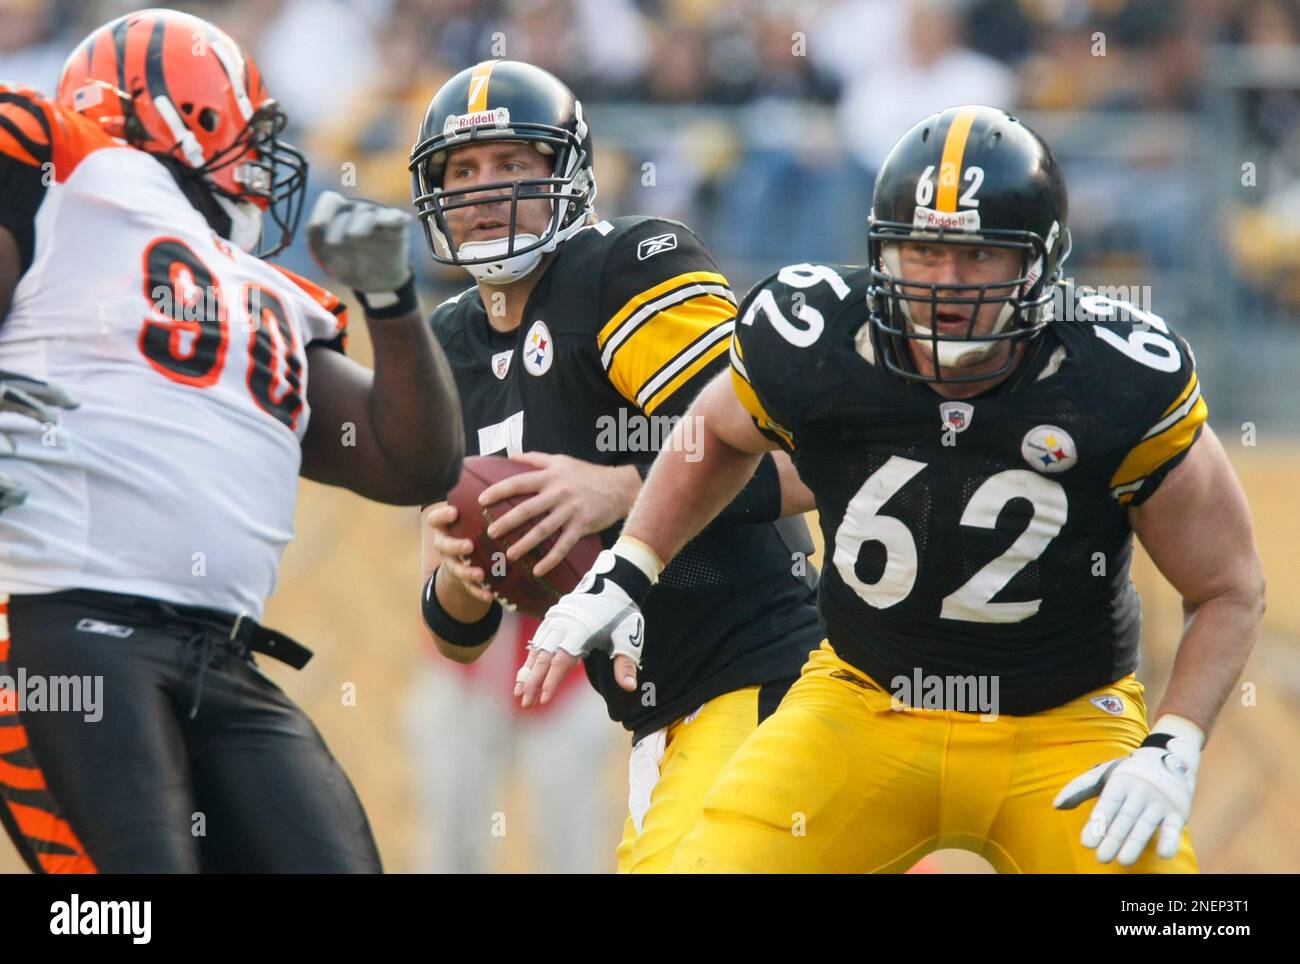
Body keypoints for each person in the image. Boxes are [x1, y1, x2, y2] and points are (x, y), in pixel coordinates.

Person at [521, 105, 1266, 873]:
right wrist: (630, 567)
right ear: (881, 251)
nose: (945, 282)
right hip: (860, 704)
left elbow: (1228, 588)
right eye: (920, 250)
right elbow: (713, 435)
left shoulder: (1116, 377)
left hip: (1064, 724)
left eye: (979, 256)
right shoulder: (815, 338)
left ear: (1040, 263)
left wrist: (1175, 743)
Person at [0, 8, 463, 873]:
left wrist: (393, 303)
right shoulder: (60, 172)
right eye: (246, 130)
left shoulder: (273, 294)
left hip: (222, 652)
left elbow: (414, 463)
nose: (263, 157)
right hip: (63, 623)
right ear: (184, 112)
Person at [410, 59, 823, 872]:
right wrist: (462, 574)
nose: (486, 188)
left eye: (512, 164)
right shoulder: (454, 338)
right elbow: (459, 637)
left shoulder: (627, 269)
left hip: (764, 672)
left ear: (566, 172)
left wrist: (620, 491)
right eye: (464, 170)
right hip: (658, 713)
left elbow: (811, 456)